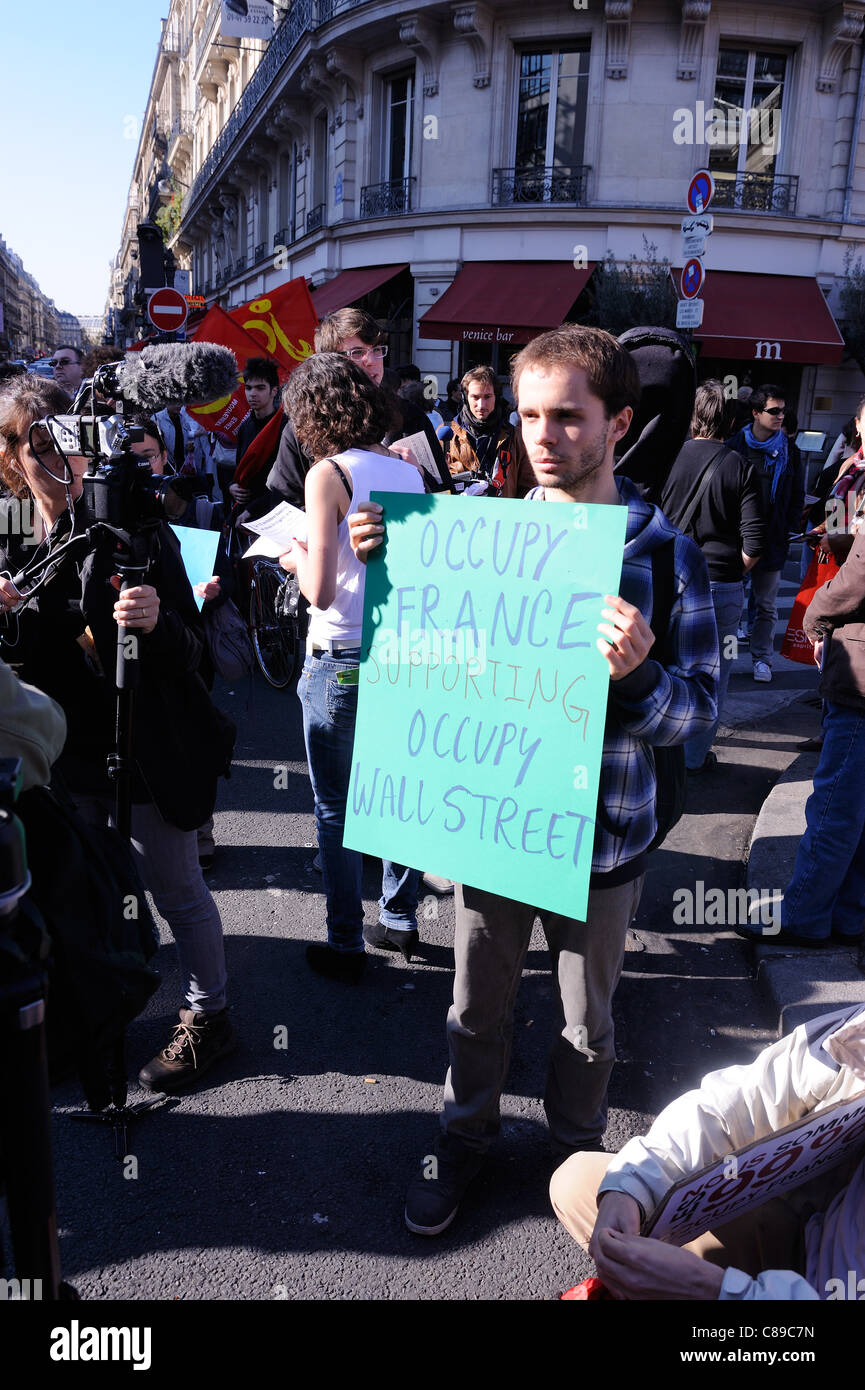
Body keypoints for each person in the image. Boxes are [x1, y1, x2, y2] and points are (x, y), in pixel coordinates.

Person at [349, 325, 719, 1234]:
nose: (543, 436)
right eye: (527, 416)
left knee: (587, 1026)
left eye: (567, 417)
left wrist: (638, 674)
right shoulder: (473, 532)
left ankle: (577, 1156)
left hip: (604, 836)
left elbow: (697, 717)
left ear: (617, 422)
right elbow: (429, 665)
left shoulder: (663, 555)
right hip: (495, 825)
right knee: (474, 1009)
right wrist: (388, 570)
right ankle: (464, 1136)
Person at [0, 374, 236, 1091]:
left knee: (174, 883)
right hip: (59, 750)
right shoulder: (12, 530)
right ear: (9, 456)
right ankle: (102, 1000)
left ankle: (210, 1015)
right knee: (83, 883)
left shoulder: (131, 524)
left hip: (145, 742)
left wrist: (156, 623)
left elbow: (195, 654)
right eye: (34, 447)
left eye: (65, 444)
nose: (54, 463)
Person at [549, 1003, 865, 1300]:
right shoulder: (855, 1034)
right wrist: (631, 1187)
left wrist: (715, 1289)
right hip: (808, 1236)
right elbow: (740, 1103)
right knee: (579, 1181)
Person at [278, 352, 425, 983]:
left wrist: (292, 558)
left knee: (335, 806)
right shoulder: (407, 469)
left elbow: (319, 592)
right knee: (397, 793)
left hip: (339, 654)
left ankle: (345, 943)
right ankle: (399, 917)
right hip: (400, 651)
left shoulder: (327, 474)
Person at [737, 517, 865, 946]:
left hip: (860, 684)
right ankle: (848, 914)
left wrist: (815, 614)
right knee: (854, 810)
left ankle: (803, 916)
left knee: (834, 807)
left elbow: (857, 578)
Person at [659, 380, 764, 772]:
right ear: (732, 421)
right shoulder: (742, 467)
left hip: (668, 580)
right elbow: (755, 543)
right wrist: (733, 573)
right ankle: (694, 759)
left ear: (693, 417)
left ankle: (661, 749)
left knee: (666, 664)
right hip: (722, 589)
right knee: (718, 671)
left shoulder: (667, 457)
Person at [266, 308, 452, 510]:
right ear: (330, 362)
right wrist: (335, 511)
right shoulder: (305, 426)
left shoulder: (409, 416)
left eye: (377, 350)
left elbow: (446, 499)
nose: (371, 361)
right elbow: (282, 505)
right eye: (357, 353)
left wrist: (419, 474)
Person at [726, 385, 804, 684]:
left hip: (771, 540)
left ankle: (762, 659)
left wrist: (788, 527)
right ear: (756, 413)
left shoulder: (790, 451)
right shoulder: (734, 446)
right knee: (730, 604)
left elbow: (796, 494)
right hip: (736, 537)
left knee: (766, 606)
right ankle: (726, 657)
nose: (780, 416)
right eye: (774, 411)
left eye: (783, 411)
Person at [443, 364, 534, 497]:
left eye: (487, 397)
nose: (481, 405)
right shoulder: (447, 436)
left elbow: (528, 489)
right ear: (465, 398)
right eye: (475, 397)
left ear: (496, 397)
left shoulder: (516, 437)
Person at [223, 357, 283, 509]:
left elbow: (286, 480)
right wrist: (232, 486)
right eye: (248, 388)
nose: (253, 394)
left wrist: (254, 509)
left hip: (273, 509)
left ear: (274, 391)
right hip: (244, 508)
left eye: (260, 388)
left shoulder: (285, 427)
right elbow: (240, 468)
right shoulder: (245, 428)